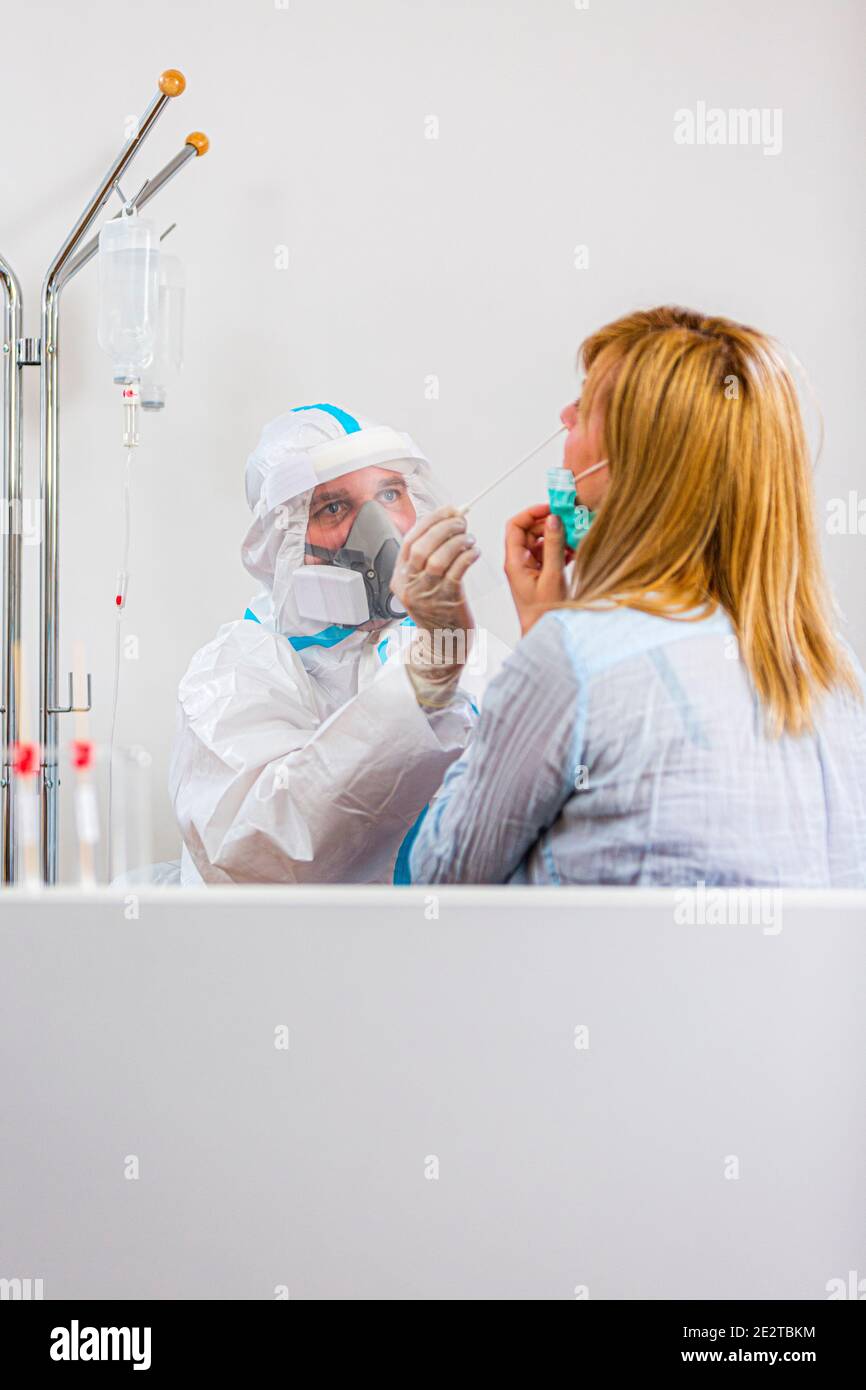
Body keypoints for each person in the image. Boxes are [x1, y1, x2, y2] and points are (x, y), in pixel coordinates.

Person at [408, 306, 866, 886]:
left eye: (587, 403)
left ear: (638, 459)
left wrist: (543, 646)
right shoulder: (834, 673)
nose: (564, 415)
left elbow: (440, 880)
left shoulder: (575, 657)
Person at [170, 402, 490, 884]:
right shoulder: (236, 670)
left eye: (389, 492)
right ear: (285, 539)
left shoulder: (451, 643)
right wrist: (424, 683)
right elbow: (261, 849)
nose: (378, 526)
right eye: (334, 507)